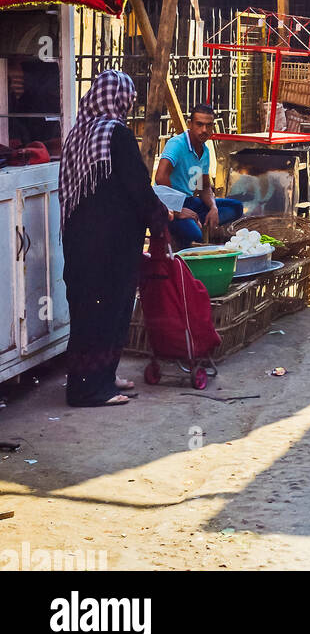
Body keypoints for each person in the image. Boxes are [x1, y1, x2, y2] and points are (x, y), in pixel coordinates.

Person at [60, 70, 170, 407]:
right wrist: (160, 217)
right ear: (120, 98)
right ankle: (91, 390)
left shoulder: (77, 132)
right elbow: (137, 185)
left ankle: (100, 376)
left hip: (79, 242)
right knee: (107, 310)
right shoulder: (116, 134)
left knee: (87, 310)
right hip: (110, 245)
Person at [155, 104, 243, 251]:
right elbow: (160, 177)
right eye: (199, 124)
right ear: (190, 124)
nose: (204, 130)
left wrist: (213, 207)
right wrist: (178, 210)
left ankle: (197, 220)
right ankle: (189, 225)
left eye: (208, 126)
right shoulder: (177, 144)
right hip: (168, 207)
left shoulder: (205, 152)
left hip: (190, 203)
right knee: (195, 236)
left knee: (236, 207)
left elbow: (204, 187)